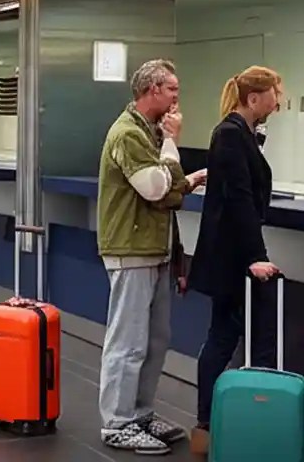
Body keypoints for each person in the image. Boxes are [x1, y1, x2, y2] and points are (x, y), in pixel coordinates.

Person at [97, 59, 207, 455]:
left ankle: (140, 412)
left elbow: (170, 189)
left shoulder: (148, 133)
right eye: (172, 89)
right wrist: (173, 143)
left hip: (154, 250)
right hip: (131, 249)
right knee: (127, 342)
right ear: (152, 90)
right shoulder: (128, 134)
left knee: (154, 340)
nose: (178, 97)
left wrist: (182, 181)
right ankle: (118, 421)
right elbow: (157, 188)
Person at [187, 66, 284, 455]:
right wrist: (257, 257)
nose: (279, 102)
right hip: (233, 260)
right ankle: (211, 423)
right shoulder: (230, 135)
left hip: (231, 256)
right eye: (275, 93)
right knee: (226, 338)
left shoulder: (240, 134)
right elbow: (239, 199)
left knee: (230, 336)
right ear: (254, 97)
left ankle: (215, 424)